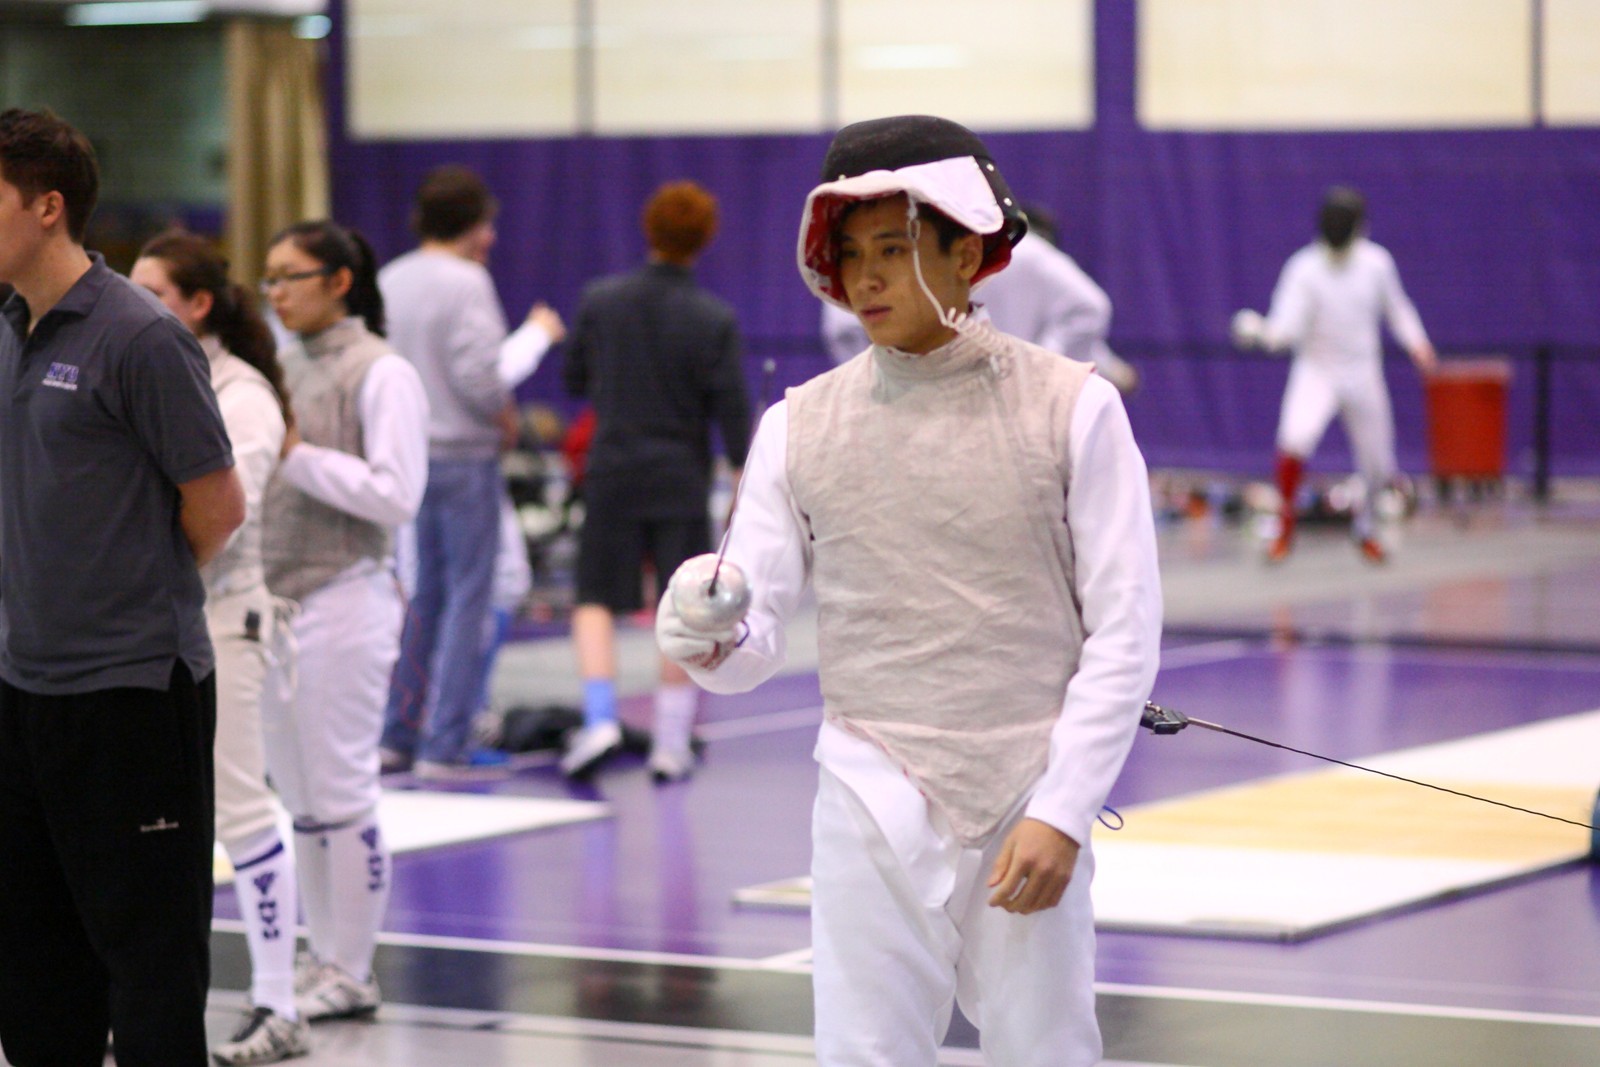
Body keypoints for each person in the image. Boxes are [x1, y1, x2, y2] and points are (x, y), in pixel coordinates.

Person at [657, 115, 1162, 1065]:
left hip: (1027, 783)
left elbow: (1126, 630)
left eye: (893, 248)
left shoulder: (1074, 406)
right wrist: (704, 625)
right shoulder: (801, 424)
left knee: (1043, 1047)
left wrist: (1063, 807)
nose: (866, 279)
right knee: (862, 1049)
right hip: (867, 782)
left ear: (965, 250)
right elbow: (750, 635)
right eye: (850, 254)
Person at [0, 107, 245, 1065]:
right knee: (31, 963)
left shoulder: (140, 337)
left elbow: (216, 506)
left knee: (147, 966)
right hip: (24, 693)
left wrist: (126, 590)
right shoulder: (10, 327)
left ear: (49, 207)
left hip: (136, 695)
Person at [130, 230, 309, 1063]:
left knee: (239, 808)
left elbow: (221, 519)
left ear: (199, 304)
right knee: (136, 817)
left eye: (156, 291)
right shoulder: (141, 370)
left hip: (223, 620)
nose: (138, 304)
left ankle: (278, 1000)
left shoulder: (244, 396)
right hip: (139, 627)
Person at [258, 220, 428, 1024]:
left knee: (342, 790)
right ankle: (323, 956)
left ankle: (351, 967)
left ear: (339, 281)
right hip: (278, 601)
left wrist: (298, 455)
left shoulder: (382, 371)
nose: (276, 292)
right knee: (300, 799)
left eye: (291, 276)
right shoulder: (281, 364)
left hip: (348, 594)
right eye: (269, 279)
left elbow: (397, 494)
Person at [561, 180, 752, 782]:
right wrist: (742, 489)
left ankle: (598, 722)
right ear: (704, 240)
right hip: (679, 477)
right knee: (684, 605)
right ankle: (671, 742)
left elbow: (573, 379)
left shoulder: (600, 301)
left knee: (594, 596)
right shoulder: (713, 318)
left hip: (612, 468)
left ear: (649, 230)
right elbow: (733, 415)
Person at [378, 165, 564, 780]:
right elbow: (482, 377)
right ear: (475, 224)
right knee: (468, 598)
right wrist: (515, 390)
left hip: (411, 457)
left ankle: (399, 734)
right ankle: (445, 742)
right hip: (462, 457)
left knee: (425, 595)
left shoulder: (390, 279)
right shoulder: (466, 283)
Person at [1231, 185, 1436, 564]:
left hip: (1362, 372)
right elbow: (1285, 330)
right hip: (1317, 370)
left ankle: (1367, 531)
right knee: (1294, 440)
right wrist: (1264, 332)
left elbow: (1398, 308)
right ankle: (1284, 529)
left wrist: (1417, 343)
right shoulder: (1303, 269)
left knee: (1378, 463)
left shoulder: (1377, 264)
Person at [821, 201, 1139, 393]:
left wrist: (1038, 365)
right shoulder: (1032, 254)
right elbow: (1089, 308)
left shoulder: (1020, 256)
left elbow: (841, 329)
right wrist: (1040, 367)